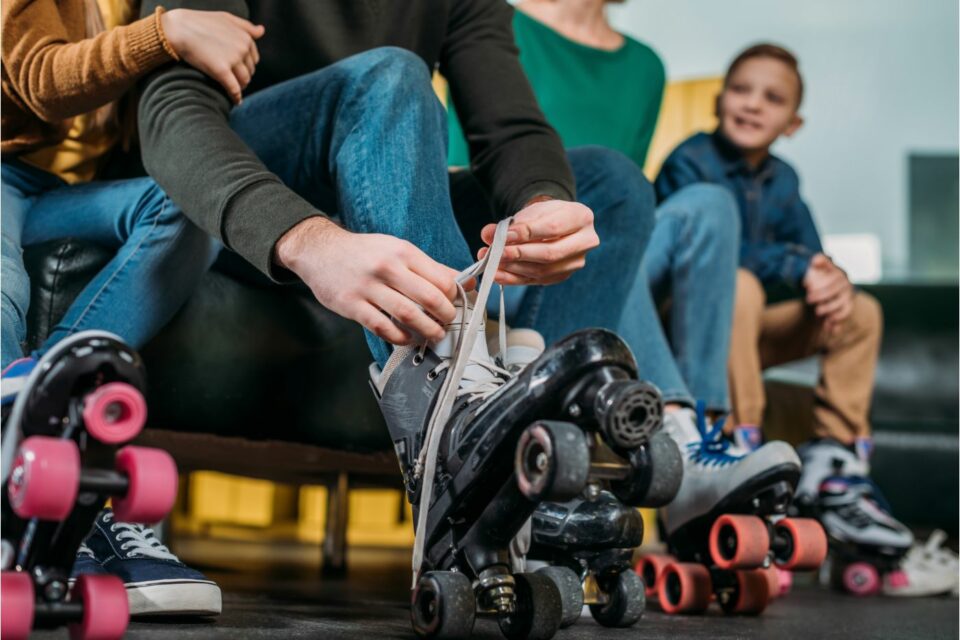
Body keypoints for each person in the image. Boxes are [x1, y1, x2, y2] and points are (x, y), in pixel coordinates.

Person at [445, 0, 798, 554]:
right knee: (600, 215)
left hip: (600, 245)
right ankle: (681, 448)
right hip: (513, 250)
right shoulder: (496, 21)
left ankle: (701, 432)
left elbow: (632, 200)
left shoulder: (644, 68)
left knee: (708, 203)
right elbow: (464, 171)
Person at [0, 0, 264, 615]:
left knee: (195, 201)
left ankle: (51, 440)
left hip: (75, 192)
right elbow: (41, 80)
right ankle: (20, 474)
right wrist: (169, 31)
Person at [656, 43, 921, 593]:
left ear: (792, 123)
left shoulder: (785, 180)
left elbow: (810, 256)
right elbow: (706, 261)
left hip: (749, 335)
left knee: (861, 311)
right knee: (744, 284)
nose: (752, 105)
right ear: (718, 100)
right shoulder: (691, 161)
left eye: (771, 99)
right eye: (741, 90)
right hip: (686, 327)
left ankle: (835, 465)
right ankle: (738, 444)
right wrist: (797, 264)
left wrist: (830, 278)